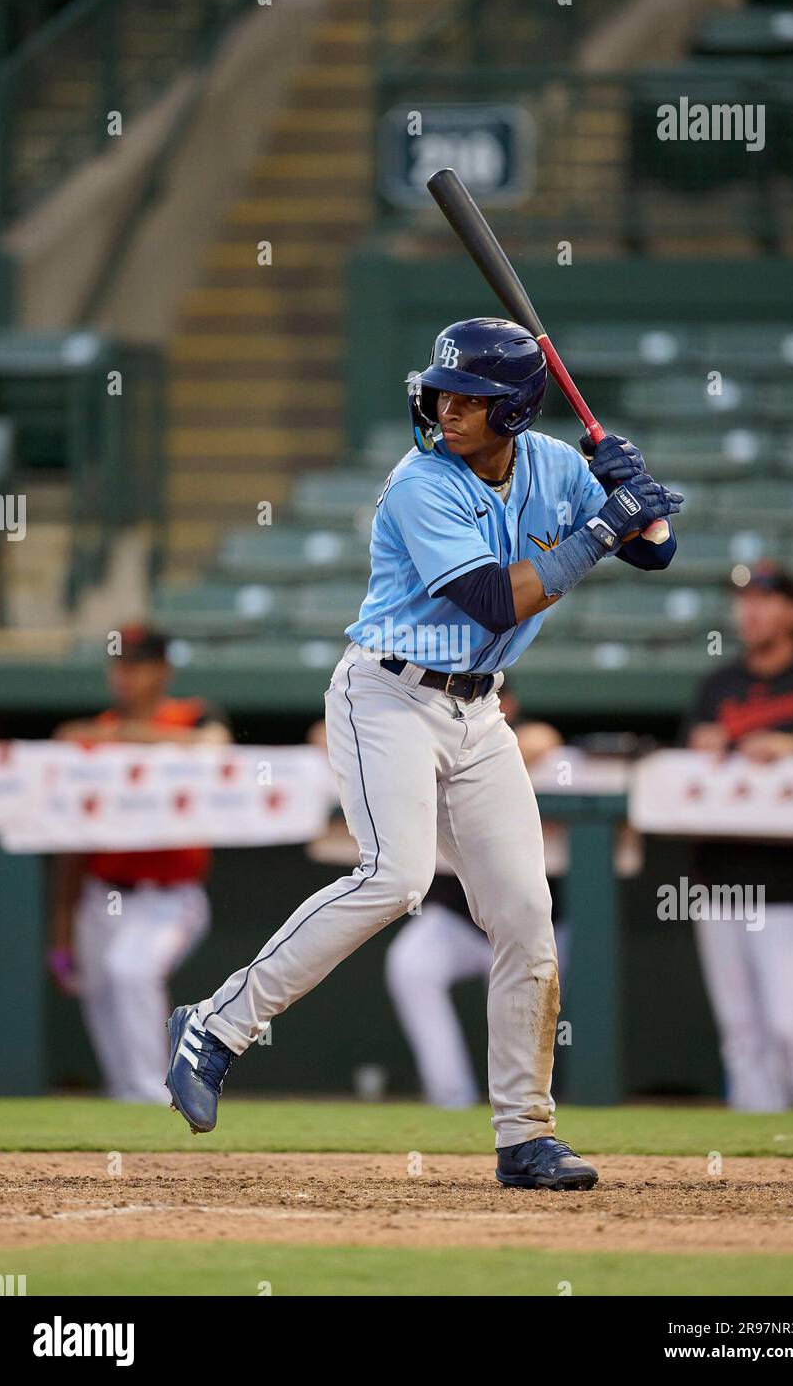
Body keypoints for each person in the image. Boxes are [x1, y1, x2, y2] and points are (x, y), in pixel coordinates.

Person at [165, 317, 682, 1190]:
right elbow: (492, 599)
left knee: (524, 915)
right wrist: (605, 531)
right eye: (442, 393)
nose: (447, 409)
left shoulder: (555, 464)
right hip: (388, 694)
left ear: (514, 412)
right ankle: (217, 1025)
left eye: (471, 400)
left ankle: (525, 1136)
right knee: (395, 879)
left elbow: (662, 556)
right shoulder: (420, 483)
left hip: (480, 715)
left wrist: (636, 497)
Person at [685, 563, 793, 1112]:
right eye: (745, 599)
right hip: (722, 876)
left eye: (766, 598)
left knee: (790, 1021)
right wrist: (706, 746)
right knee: (742, 1032)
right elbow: (686, 771)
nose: (751, 610)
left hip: (792, 879)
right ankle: (759, 1158)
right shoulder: (718, 684)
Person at [50, 626, 231, 1103]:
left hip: (170, 895)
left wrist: (118, 739)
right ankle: (130, 1109)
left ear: (162, 670)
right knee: (104, 997)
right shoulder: (95, 732)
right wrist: (61, 929)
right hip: (101, 892)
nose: (125, 676)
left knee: (131, 970)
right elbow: (73, 840)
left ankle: (159, 1099)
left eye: (137, 665)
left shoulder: (190, 715)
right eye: (119, 664)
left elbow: (217, 747)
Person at [385, 685, 569, 1108]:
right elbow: (329, 732)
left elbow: (545, 738)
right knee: (411, 965)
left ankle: (526, 1107)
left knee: (532, 993)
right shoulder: (430, 730)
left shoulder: (509, 735)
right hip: (457, 914)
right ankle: (451, 1098)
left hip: (534, 922)